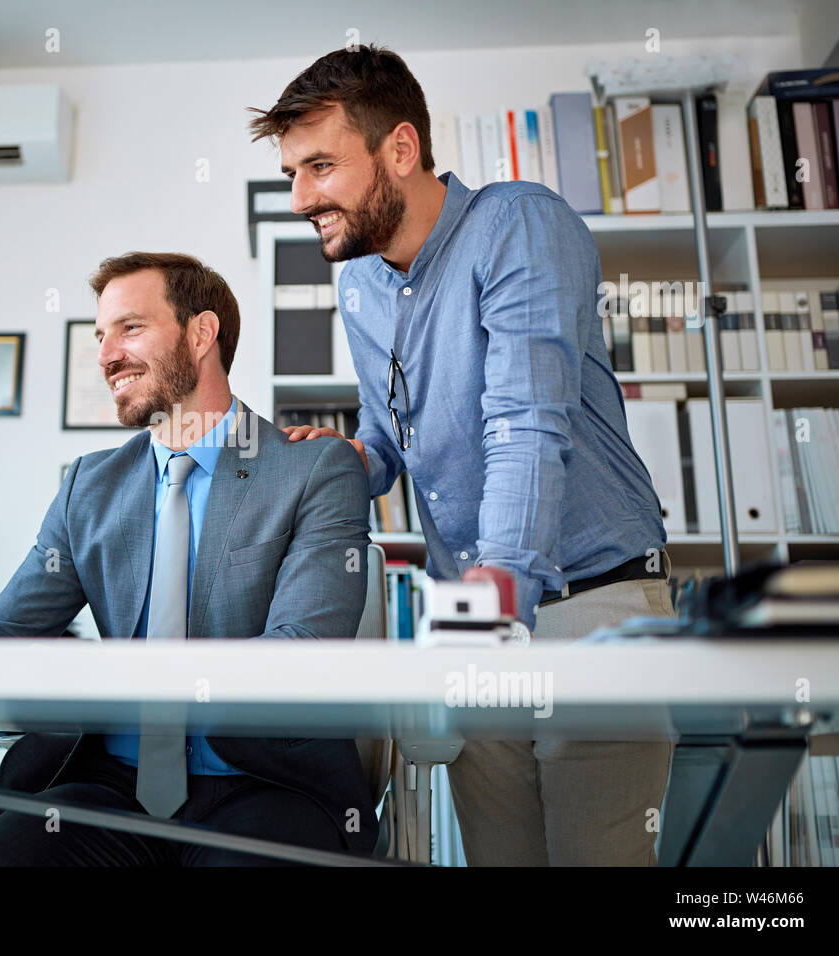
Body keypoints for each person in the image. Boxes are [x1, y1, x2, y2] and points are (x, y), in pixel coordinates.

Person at [249, 46, 674, 866]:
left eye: (321, 166)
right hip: (479, 618)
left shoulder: (517, 223)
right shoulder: (360, 284)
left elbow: (525, 417)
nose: (299, 196)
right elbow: (388, 437)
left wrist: (499, 587)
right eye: (292, 172)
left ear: (400, 150)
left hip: (590, 601)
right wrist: (340, 460)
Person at [0, 252, 377, 865]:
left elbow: (304, 649)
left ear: (201, 334)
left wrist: (100, 674)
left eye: (130, 328)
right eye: (101, 335)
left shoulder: (313, 470)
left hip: (265, 786)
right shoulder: (89, 486)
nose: (106, 354)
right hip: (111, 785)